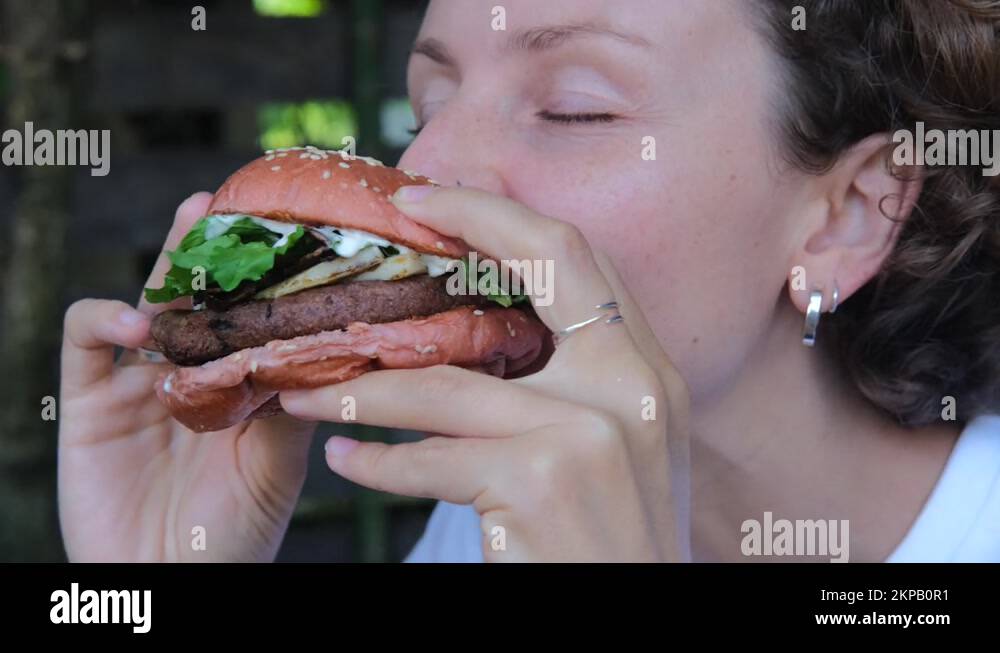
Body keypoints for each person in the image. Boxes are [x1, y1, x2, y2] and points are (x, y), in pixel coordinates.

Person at [58, 0, 1000, 562]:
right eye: (427, 104)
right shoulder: (494, 510)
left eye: (574, 108)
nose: (425, 164)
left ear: (849, 214)